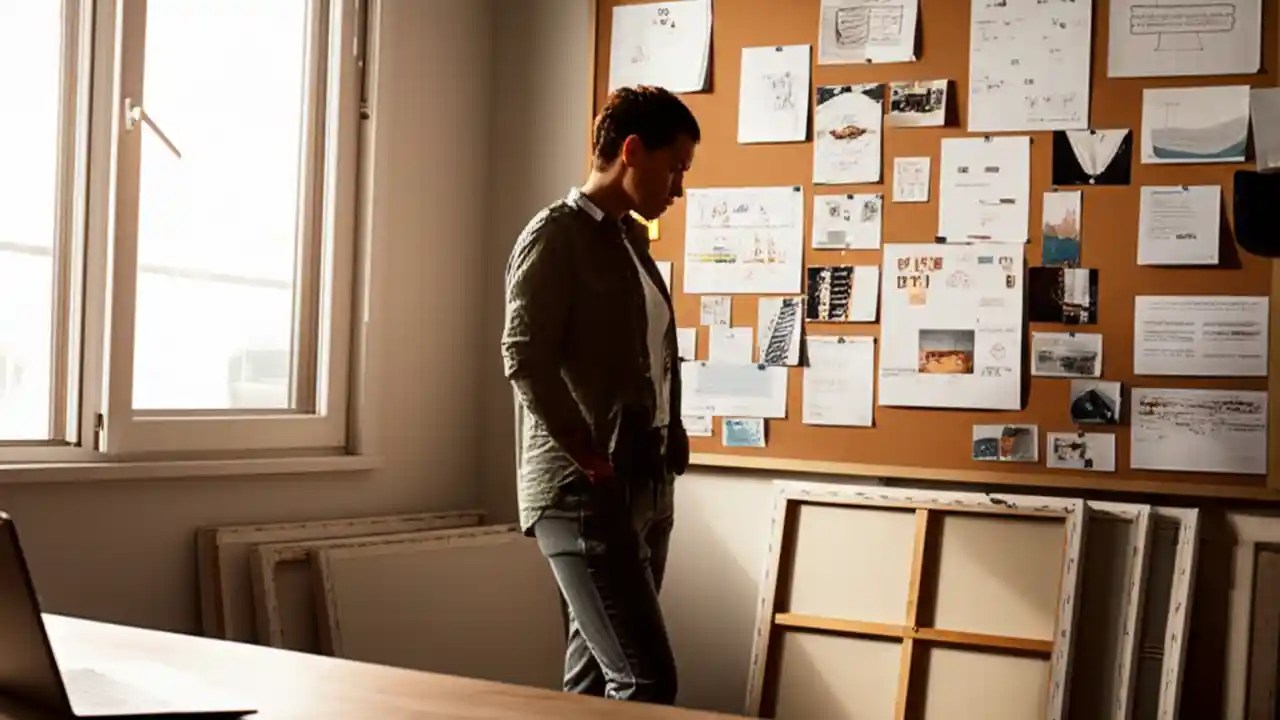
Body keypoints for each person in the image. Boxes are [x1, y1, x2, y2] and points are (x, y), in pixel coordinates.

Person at [500, 85, 700, 705]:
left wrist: (671, 443)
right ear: (632, 151)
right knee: (644, 681)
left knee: (590, 685)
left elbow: (651, 358)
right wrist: (588, 455)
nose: (678, 189)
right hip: (583, 490)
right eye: (676, 168)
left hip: (645, 480)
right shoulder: (554, 236)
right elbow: (523, 355)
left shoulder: (629, 241)